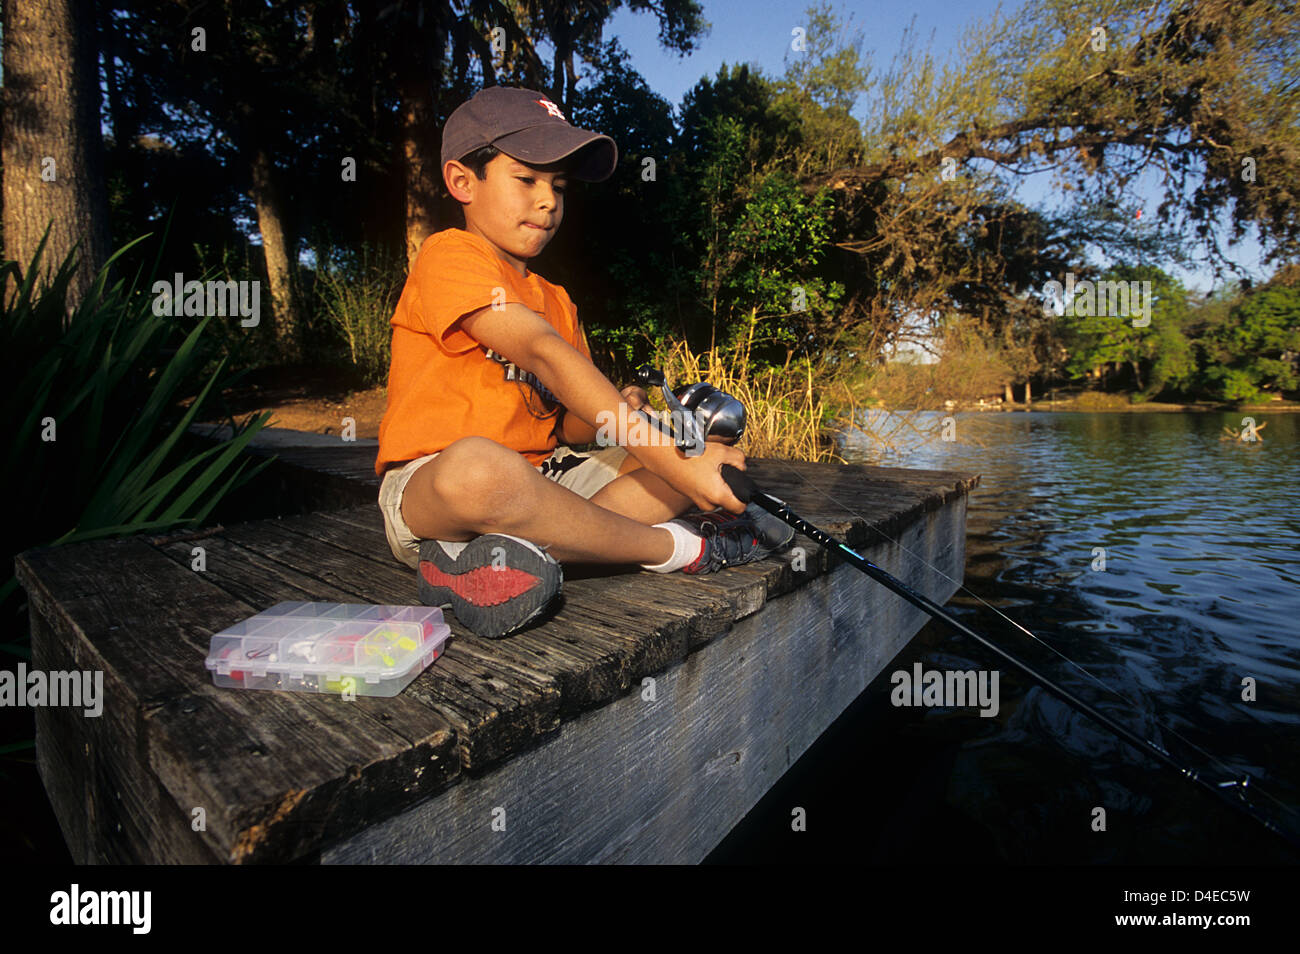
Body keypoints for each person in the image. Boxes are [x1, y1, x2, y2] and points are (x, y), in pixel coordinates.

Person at [375, 86, 791, 639]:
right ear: (462, 181)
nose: (548, 201)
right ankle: (679, 547)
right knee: (478, 466)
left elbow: (567, 423)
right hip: (437, 490)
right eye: (526, 180)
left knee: (720, 461)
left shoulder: (558, 299)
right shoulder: (448, 255)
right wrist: (672, 463)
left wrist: (617, 409)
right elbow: (543, 353)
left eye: (559, 187)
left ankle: (482, 563)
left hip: (545, 479)